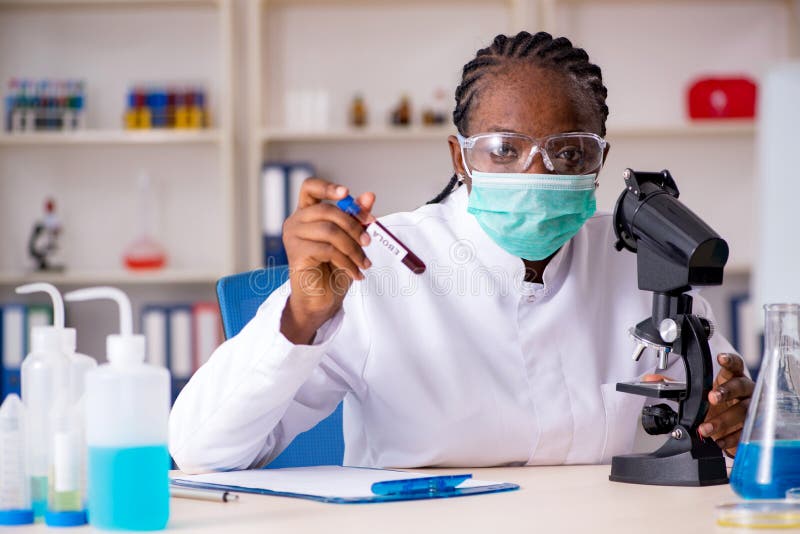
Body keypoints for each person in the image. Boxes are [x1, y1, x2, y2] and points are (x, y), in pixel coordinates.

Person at [169, 31, 754, 473]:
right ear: (461, 159)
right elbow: (202, 451)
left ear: (600, 158)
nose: (539, 172)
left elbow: (733, 410)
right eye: (504, 150)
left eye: (569, 152)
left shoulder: (641, 262)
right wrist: (303, 316)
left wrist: (738, 419)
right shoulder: (377, 263)